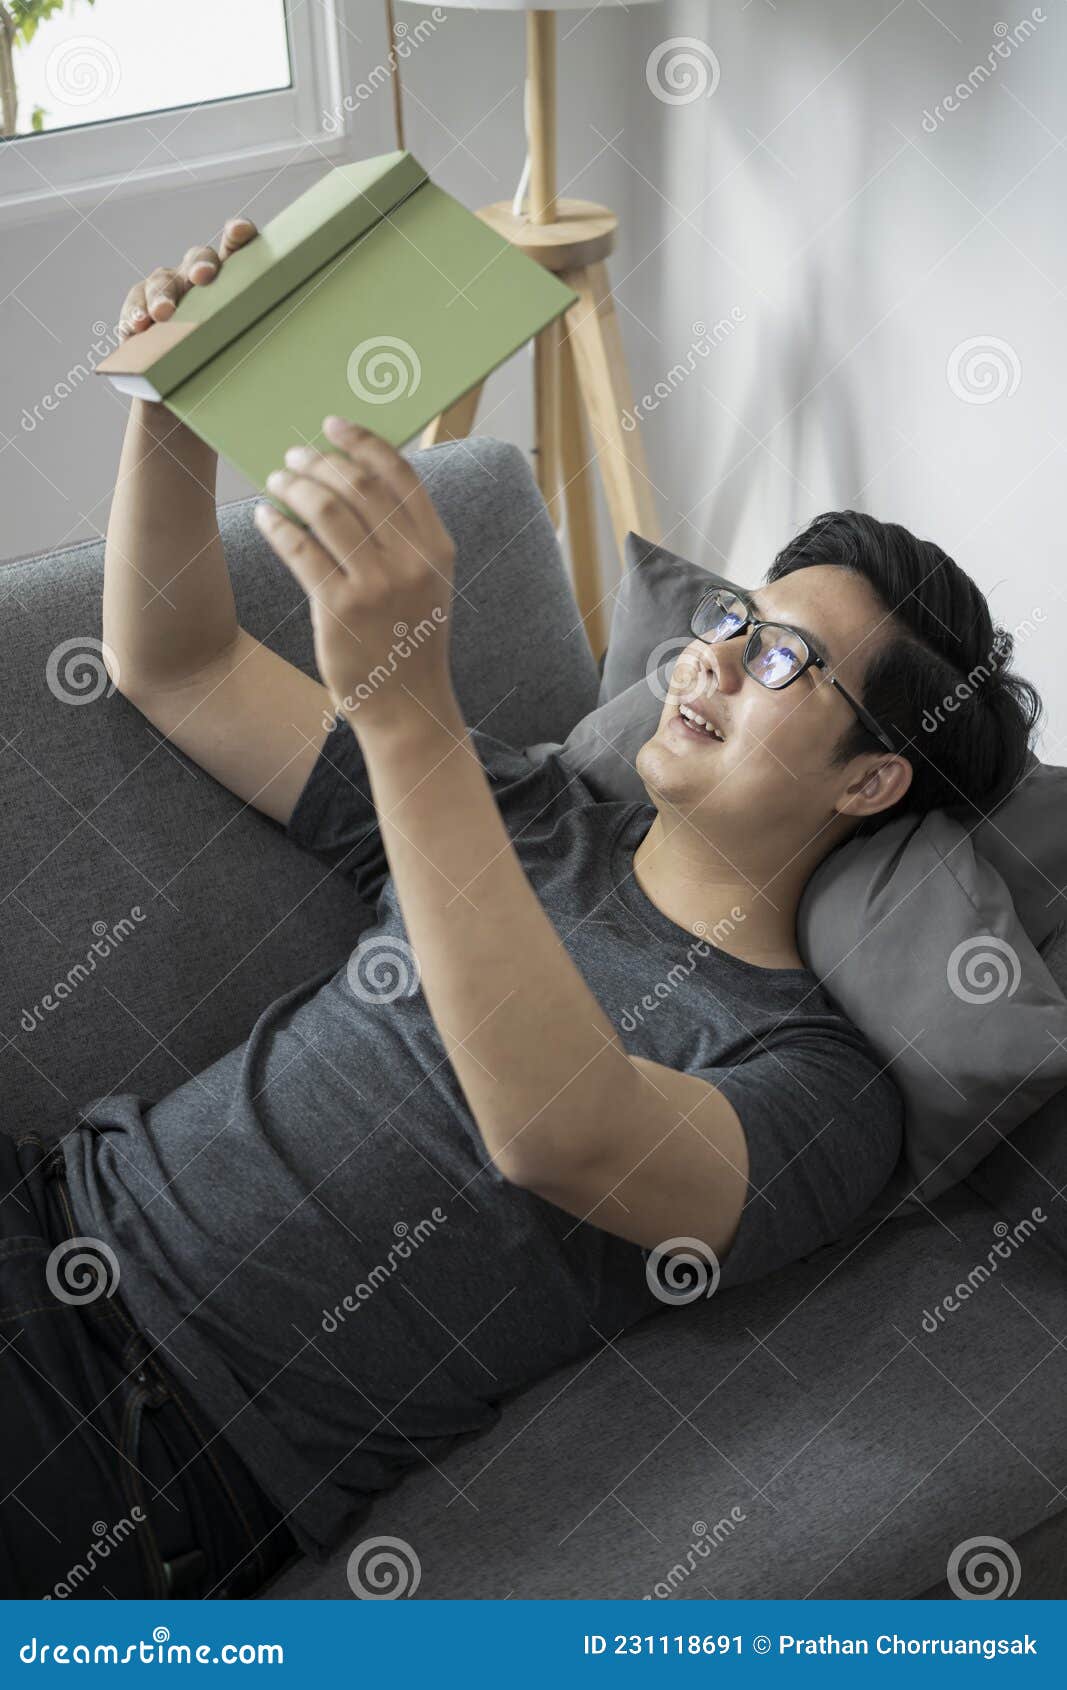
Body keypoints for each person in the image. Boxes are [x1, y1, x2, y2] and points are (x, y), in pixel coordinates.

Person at [0, 219, 1041, 1600]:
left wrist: (410, 716)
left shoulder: (822, 1085)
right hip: (45, 1196)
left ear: (873, 777)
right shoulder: (537, 811)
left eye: (783, 655)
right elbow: (173, 659)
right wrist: (170, 402)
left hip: (146, 1435)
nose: (715, 655)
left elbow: (564, 1132)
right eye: (735, 614)